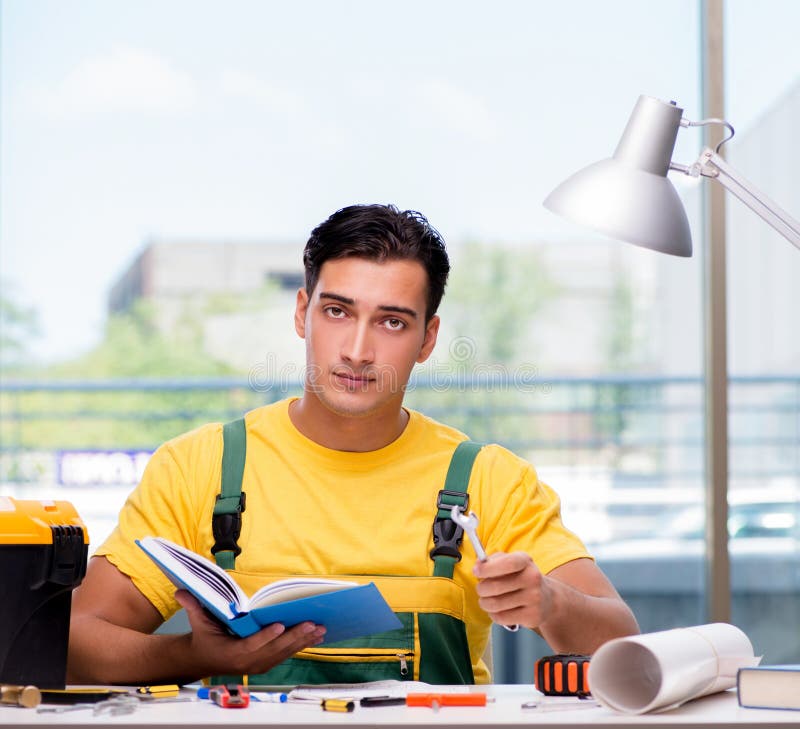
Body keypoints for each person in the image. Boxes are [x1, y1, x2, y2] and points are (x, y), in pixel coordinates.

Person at [67, 203, 639, 686]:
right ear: (302, 313)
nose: (358, 350)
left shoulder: (489, 480)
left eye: (392, 322)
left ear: (428, 339)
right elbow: (75, 642)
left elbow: (624, 643)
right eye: (338, 311)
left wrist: (551, 602)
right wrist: (191, 655)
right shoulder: (201, 468)